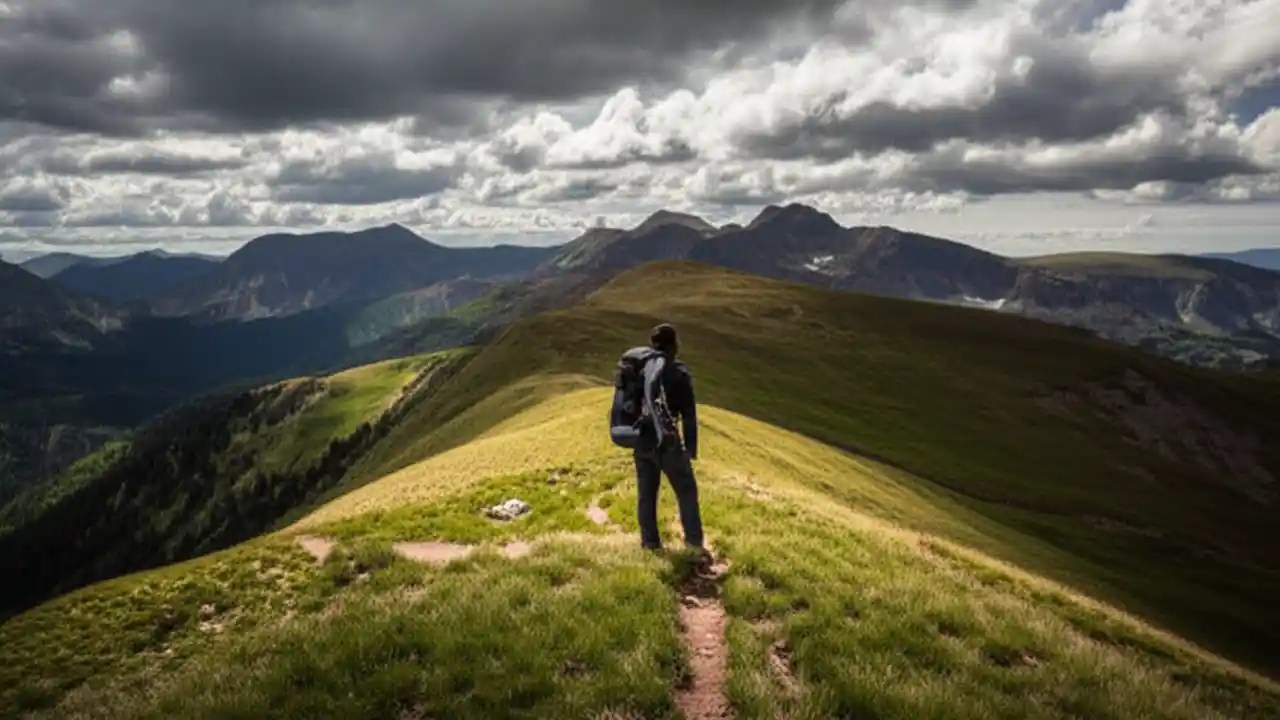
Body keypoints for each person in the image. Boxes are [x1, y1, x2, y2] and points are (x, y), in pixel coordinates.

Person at [633, 323, 705, 553]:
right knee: (686, 492)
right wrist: (690, 450)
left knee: (646, 495)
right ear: (673, 346)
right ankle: (693, 546)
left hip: (642, 440)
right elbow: (689, 415)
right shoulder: (678, 373)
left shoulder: (640, 369)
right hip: (668, 441)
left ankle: (650, 544)